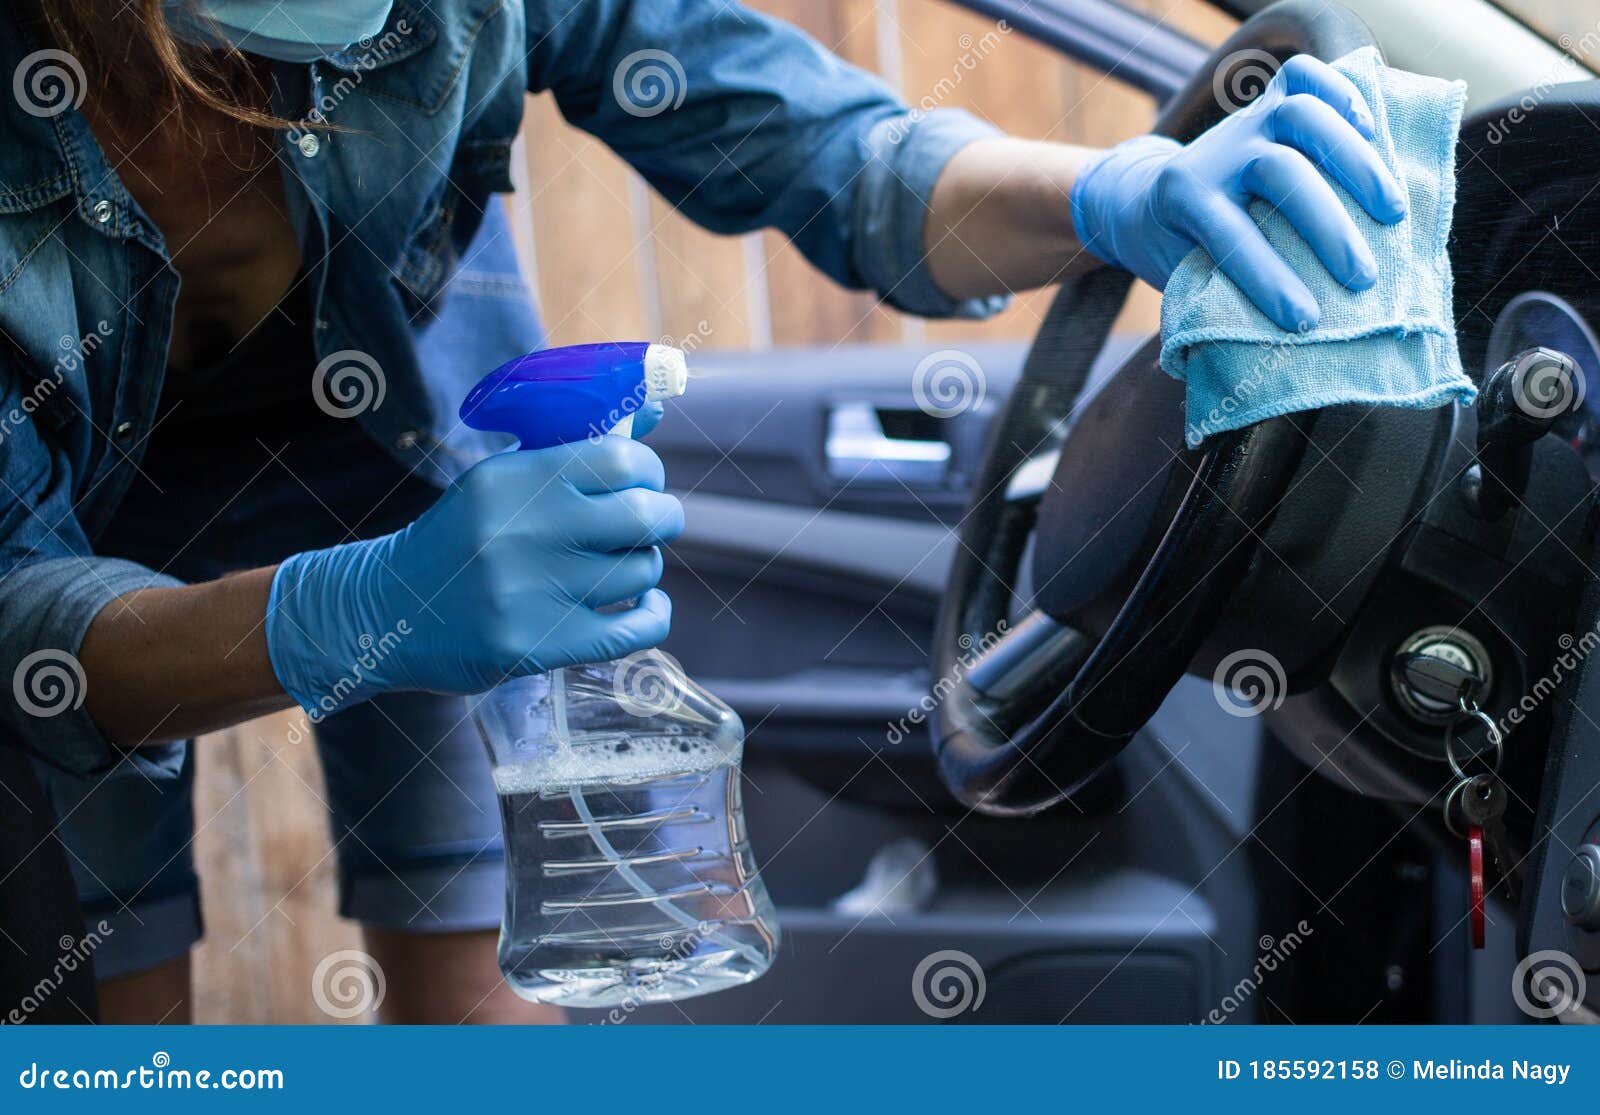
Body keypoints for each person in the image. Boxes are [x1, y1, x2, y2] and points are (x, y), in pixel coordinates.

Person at [0, 0, 1403, 1023]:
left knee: (480, 964)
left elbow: (827, 150)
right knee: (111, 995)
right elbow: (26, 622)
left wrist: (1105, 195)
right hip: (78, 534)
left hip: (429, 438)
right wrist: (342, 611)